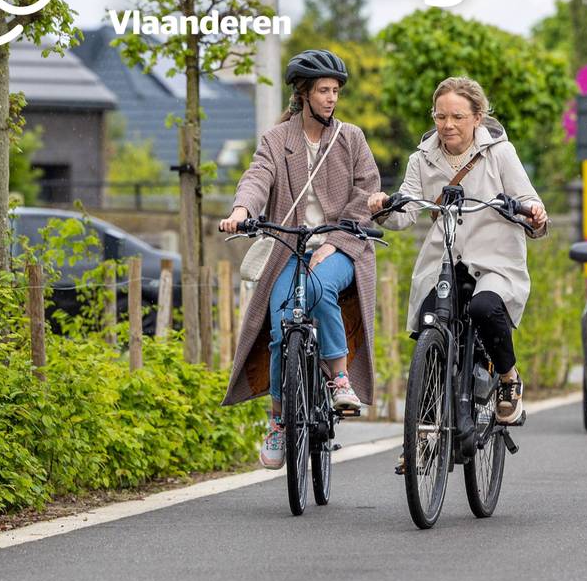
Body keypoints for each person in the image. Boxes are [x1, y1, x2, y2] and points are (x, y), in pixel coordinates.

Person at [218, 49, 382, 470]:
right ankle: (278, 421)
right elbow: (257, 177)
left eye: (335, 91)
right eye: (323, 91)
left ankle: (339, 378)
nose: (331, 98)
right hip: (290, 246)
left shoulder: (351, 139)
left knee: (321, 285)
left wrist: (337, 238)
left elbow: (366, 194)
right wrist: (241, 212)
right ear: (303, 94)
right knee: (278, 324)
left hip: (342, 245)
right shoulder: (277, 140)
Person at [369, 76, 549, 428]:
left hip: (494, 259)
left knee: (484, 307)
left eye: (457, 117)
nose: (447, 125)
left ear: (478, 117)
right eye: (440, 117)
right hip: (445, 259)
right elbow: (404, 213)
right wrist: (382, 207)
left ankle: (509, 379)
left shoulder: (500, 153)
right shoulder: (422, 158)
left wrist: (534, 212)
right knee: (428, 324)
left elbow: (529, 202)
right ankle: (423, 432)